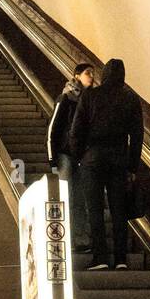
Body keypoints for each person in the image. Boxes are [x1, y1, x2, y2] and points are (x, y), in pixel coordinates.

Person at [70, 58, 144, 270]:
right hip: (119, 160)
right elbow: (137, 135)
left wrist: (79, 157)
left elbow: (77, 131)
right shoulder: (131, 99)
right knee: (118, 210)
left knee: (94, 209)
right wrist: (132, 167)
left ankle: (100, 257)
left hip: (92, 159)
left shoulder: (90, 96)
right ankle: (121, 259)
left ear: (104, 75)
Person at [47, 62, 95, 251]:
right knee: (64, 197)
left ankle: (81, 240)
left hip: (81, 157)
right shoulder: (65, 98)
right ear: (76, 75)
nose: (92, 76)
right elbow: (52, 129)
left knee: (80, 198)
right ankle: (60, 238)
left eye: (93, 73)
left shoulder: (90, 102)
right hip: (64, 156)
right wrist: (52, 159)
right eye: (88, 73)